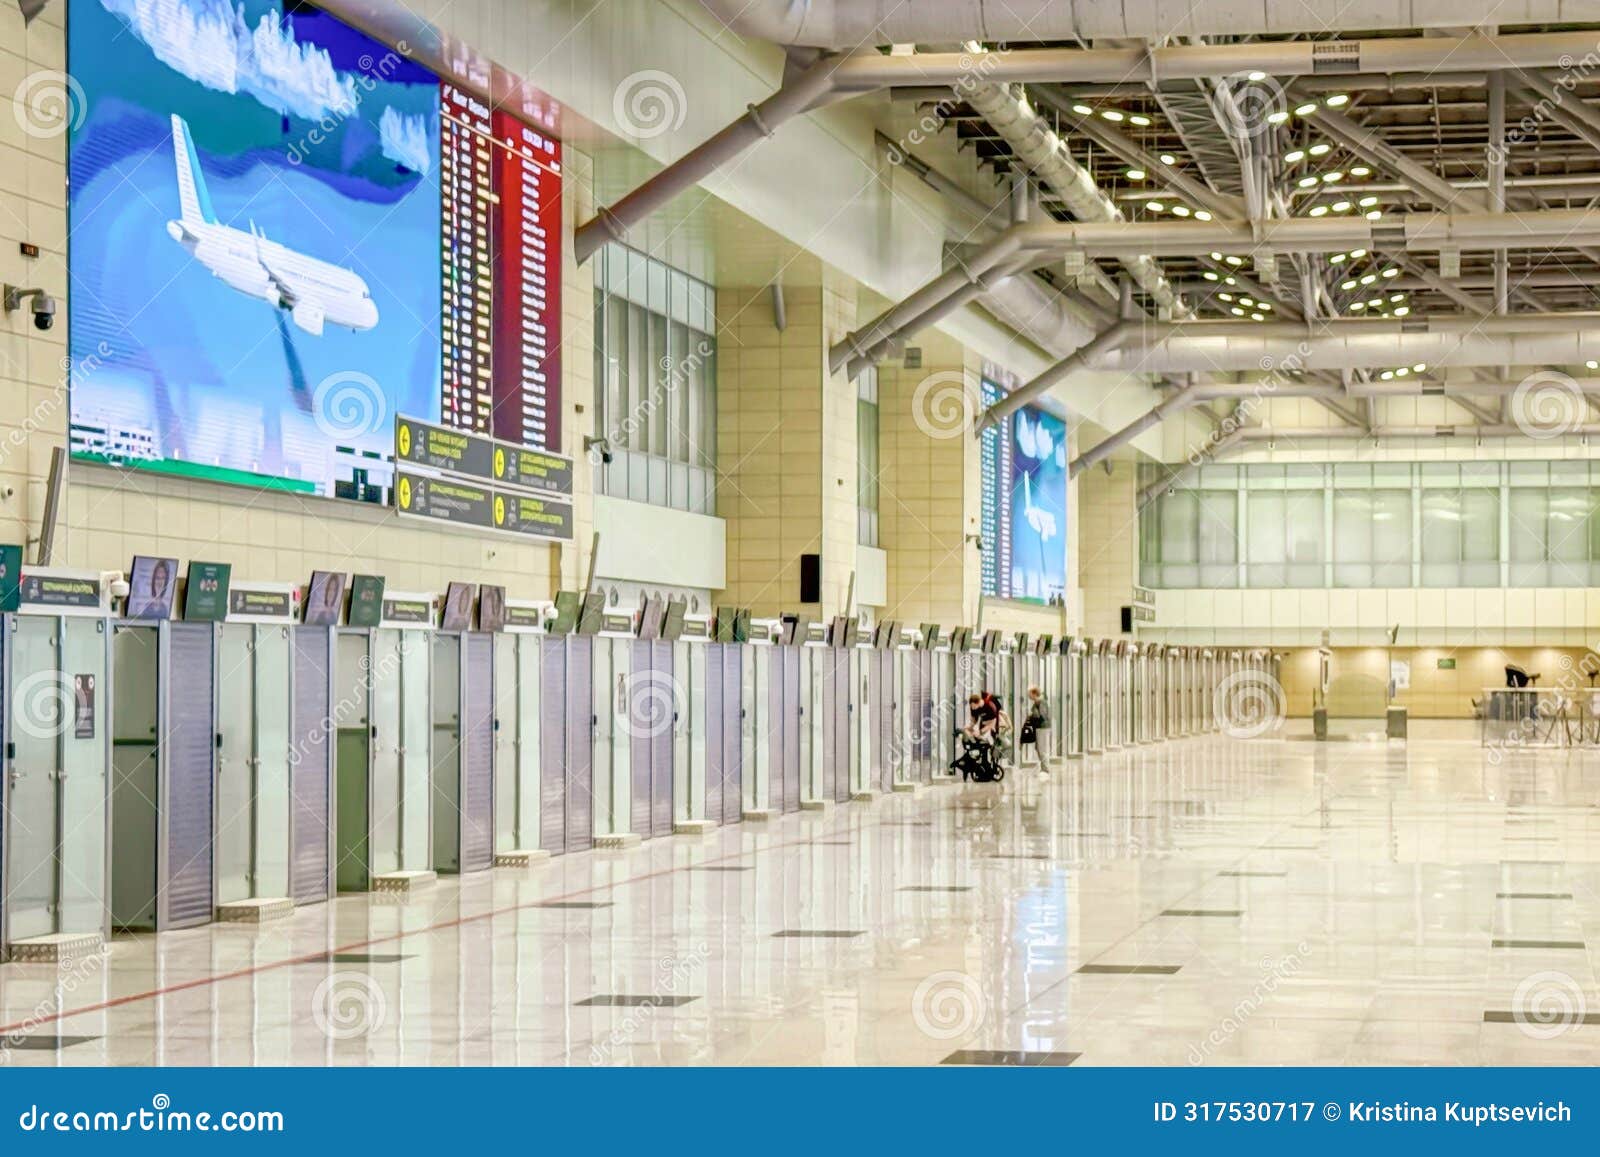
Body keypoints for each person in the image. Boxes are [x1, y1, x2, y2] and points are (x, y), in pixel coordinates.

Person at [1019, 685, 1050, 778]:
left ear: (1034, 693)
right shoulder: (1037, 702)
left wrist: (1033, 715)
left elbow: (1043, 716)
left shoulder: (1041, 702)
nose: (1028, 696)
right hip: (1039, 727)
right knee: (1038, 748)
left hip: (1042, 727)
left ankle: (1045, 769)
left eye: (1029, 694)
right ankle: (1043, 768)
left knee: (1041, 748)